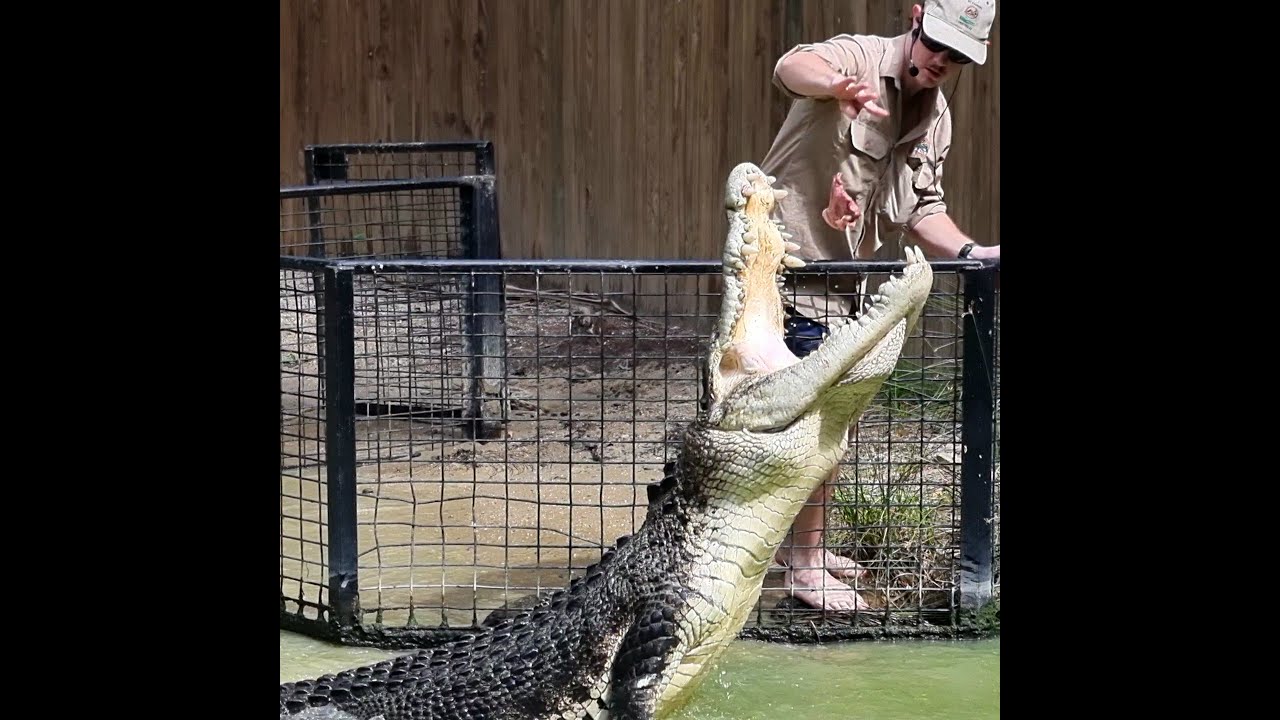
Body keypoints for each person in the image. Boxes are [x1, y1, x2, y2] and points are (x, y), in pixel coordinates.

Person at [759, 0, 1000, 612]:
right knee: (818, 423)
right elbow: (793, 66)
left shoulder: (936, 116)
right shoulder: (858, 58)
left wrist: (977, 251)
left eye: (957, 57)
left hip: (851, 288)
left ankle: (796, 547)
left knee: (835, 419)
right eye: (936, 45)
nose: (941, 62)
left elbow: (921, 209)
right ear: (916, 18)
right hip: (789, 274)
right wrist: (836, 87)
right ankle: (807, 567)